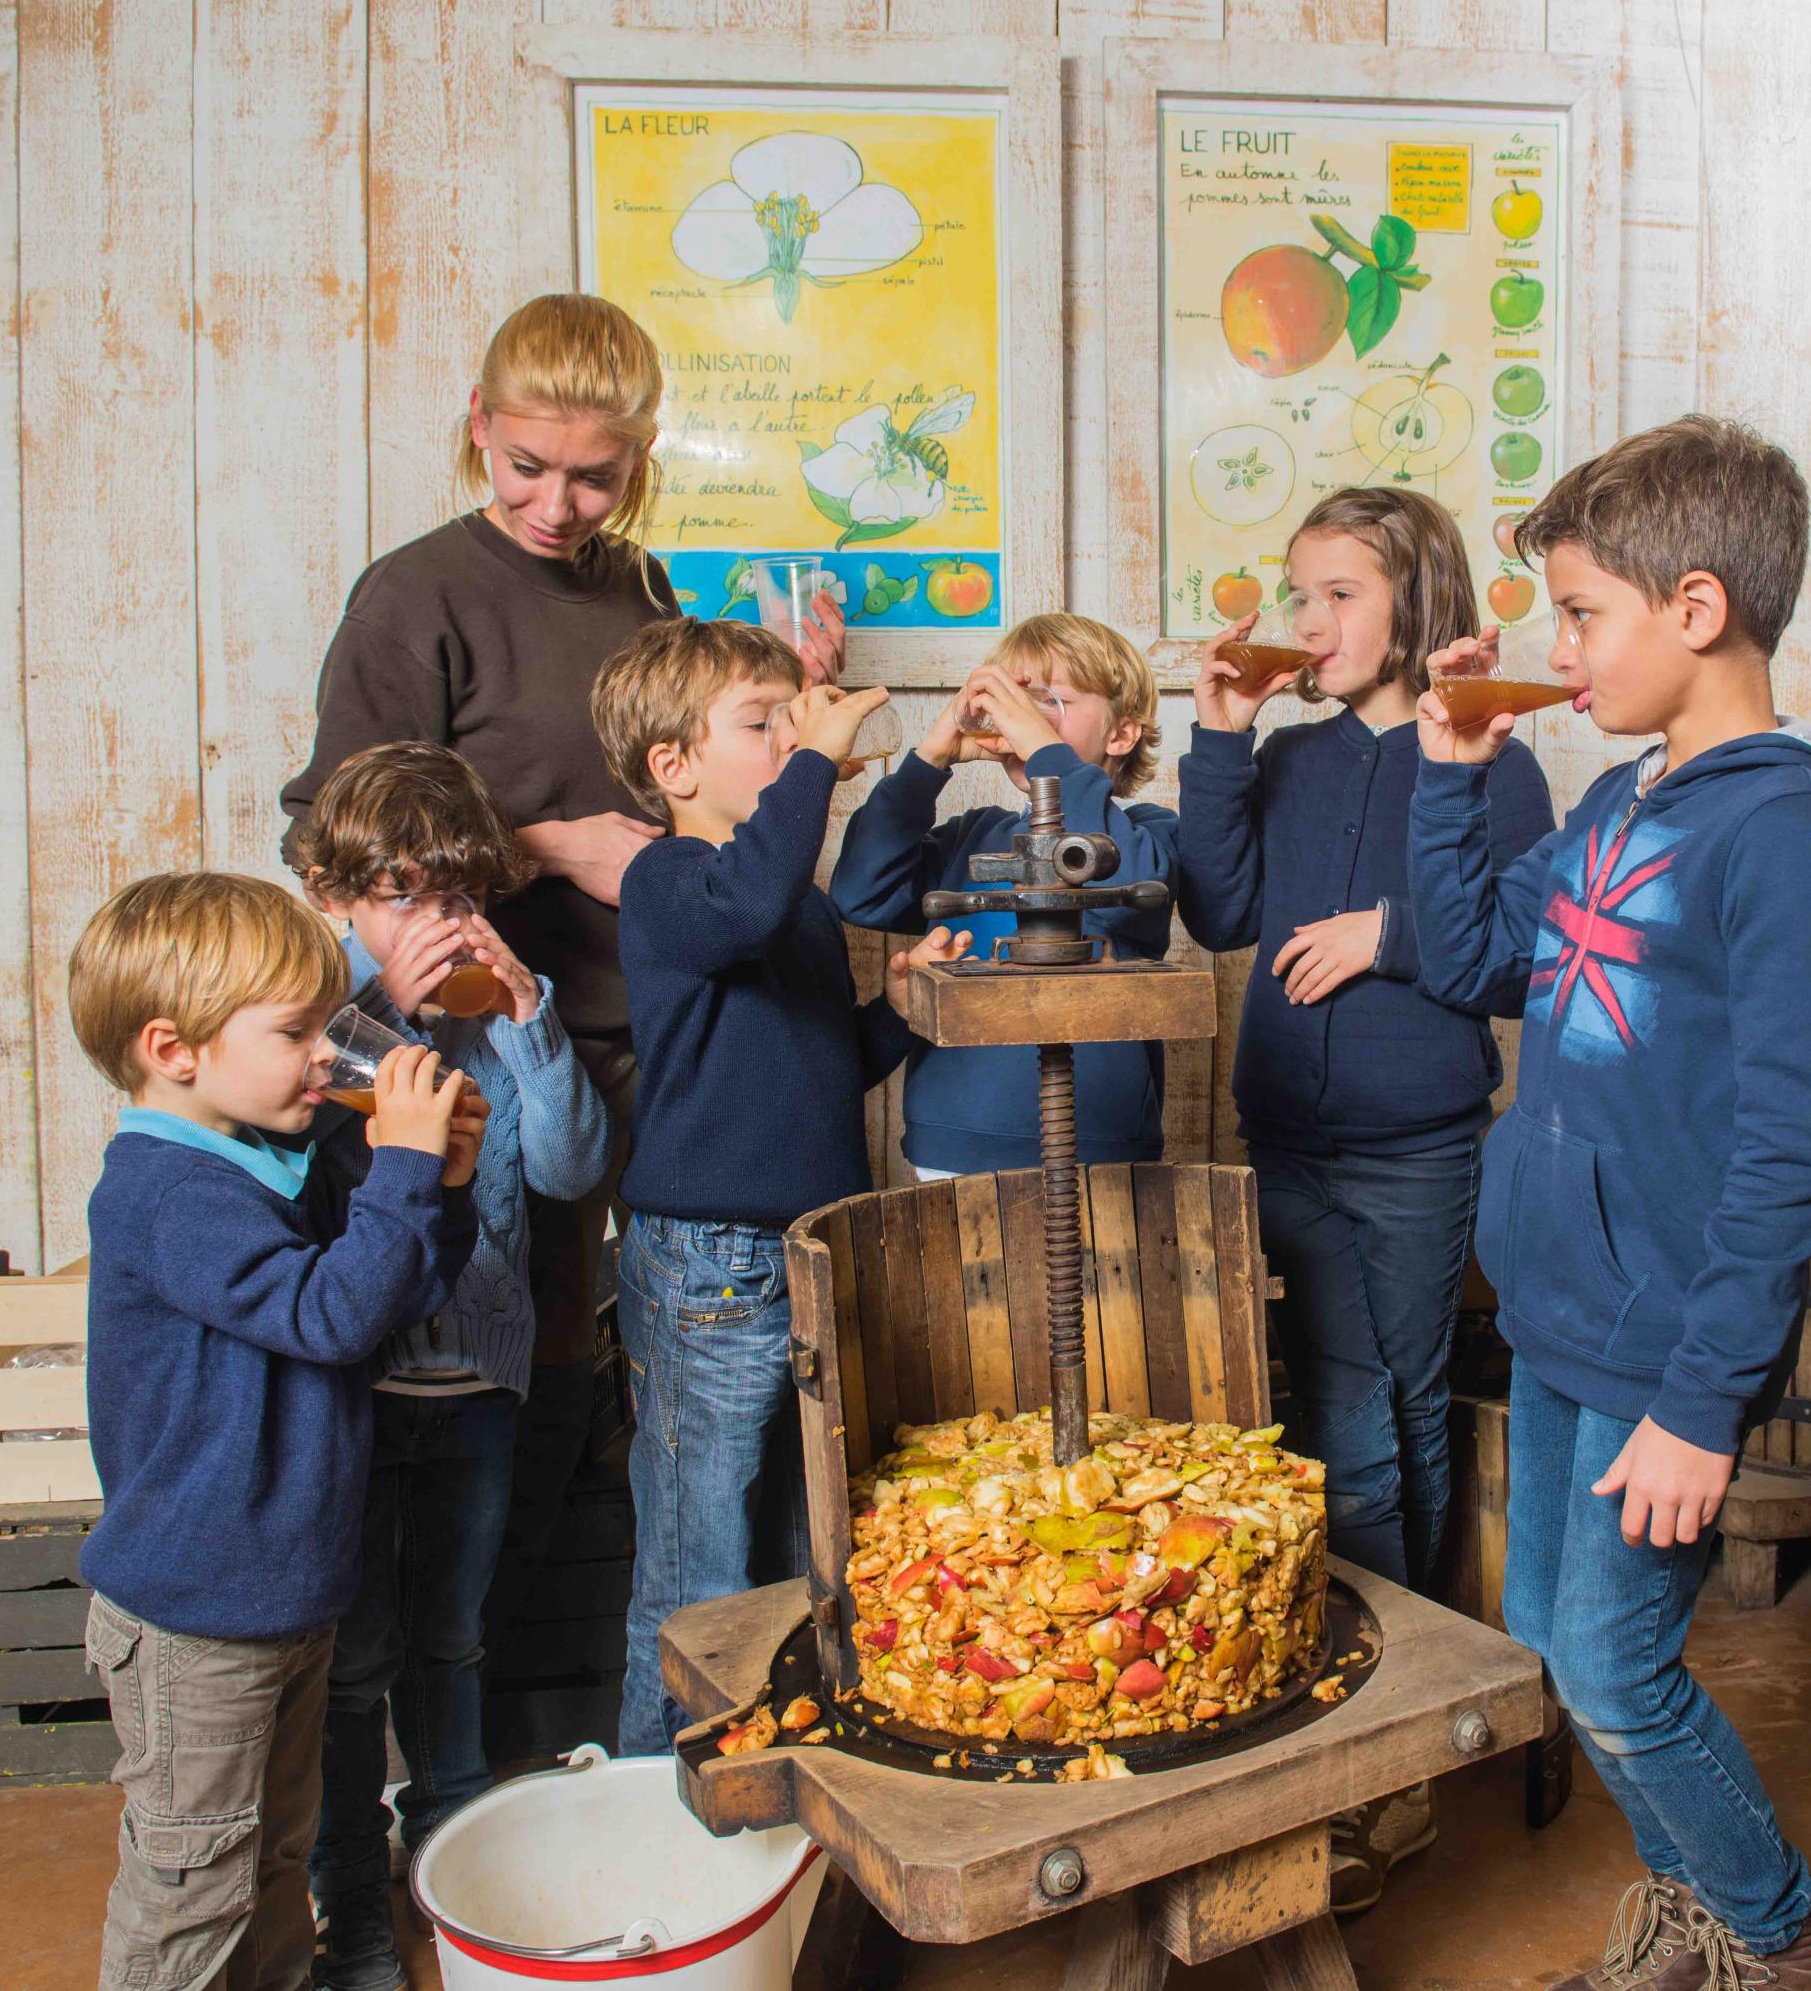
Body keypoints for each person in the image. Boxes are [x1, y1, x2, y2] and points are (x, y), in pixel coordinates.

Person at [277, 293, 848, 1657]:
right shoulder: (415, 596)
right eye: (525, 466)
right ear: (478, 430)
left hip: (664, 1040)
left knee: (635, 1386)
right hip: (497, 1054)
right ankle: (468, 1701)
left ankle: (598, 1678)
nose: (557, 501)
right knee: (493, 1379)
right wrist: (539, 847)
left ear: (642, 459)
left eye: (595, 474)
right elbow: (336, 832)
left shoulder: (645, 591)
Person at [1407, 418, 1811, 1990]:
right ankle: (1696, 1910)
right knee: (1555, 1630)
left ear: (1695, 607)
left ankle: (1780, 1928)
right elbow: (1472, 957)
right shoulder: (1612, 811)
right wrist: (1451, 779)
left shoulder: (1785, 833)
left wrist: (1704, 1399)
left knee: (1616, 1664)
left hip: (1665, 1343)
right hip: (1560, 1309)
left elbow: (1788, 1149)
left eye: (1582, 612)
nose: (1560, 647)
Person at [1173, 486, 1551, 1911]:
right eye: (1301, 594)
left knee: (1384, 1411)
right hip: (1284, 1133)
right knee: (1362, 1411)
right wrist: (1219, 737)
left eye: (1341, 594)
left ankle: (1379, 1724)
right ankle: (1402, 1714)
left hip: (1416, 1138)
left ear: (1417, 598)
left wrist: (1386, 934)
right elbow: (1215, 907)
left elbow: (1513, 950)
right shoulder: (1292, 756)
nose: (1310, 623)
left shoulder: (1489, 754)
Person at [66, 873, 479, 1991]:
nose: (322, 1055)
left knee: (271, 1856)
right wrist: (396, 1163)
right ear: (174, 1048)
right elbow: (332, 1313)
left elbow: (381, 1296)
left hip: (285, 1592)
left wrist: (438, 1182)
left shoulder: (258, 1165)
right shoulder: (168, 1191)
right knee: (192, 1883)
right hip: (198, 1613)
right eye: (295, 1031)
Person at [592, 617, 965, 1752]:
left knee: (786, 1550)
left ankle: (761, 1778)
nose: (792, 736)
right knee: (696, 1568)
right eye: (760, 724)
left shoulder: (791, 904)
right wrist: (819, 755)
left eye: (787, 720)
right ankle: (659, 1799)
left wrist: (897, 1015)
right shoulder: (667, 879)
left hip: (803, 1247)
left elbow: (825, 1068)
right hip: (709, 1263)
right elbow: (746, 901)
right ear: (674, 767)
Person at [292, 743, 613, 1990]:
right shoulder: (312, 1025)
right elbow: (319, 1162)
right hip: (358, 1391)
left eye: (458, 898)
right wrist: (387, 1008)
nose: (440, 924)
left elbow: (575, 1170)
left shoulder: (503, 1026)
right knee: (354, 1658)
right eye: (403, 898)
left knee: (454, 1641)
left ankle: (456, 1869)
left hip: (480, 1382)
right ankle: (353, 1905)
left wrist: (529, 1017)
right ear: (336, 898)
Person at [828, 613, 1178, 1179]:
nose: (1020, 719)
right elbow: (862, 893)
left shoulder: (1147, 834)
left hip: (1098, 1143)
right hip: (953, 1138)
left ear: (1121, 734)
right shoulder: (974, 833)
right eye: (1013, 700)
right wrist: (931, 756)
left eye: (1048, 702)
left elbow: (1122, 884)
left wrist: (1045, 751)